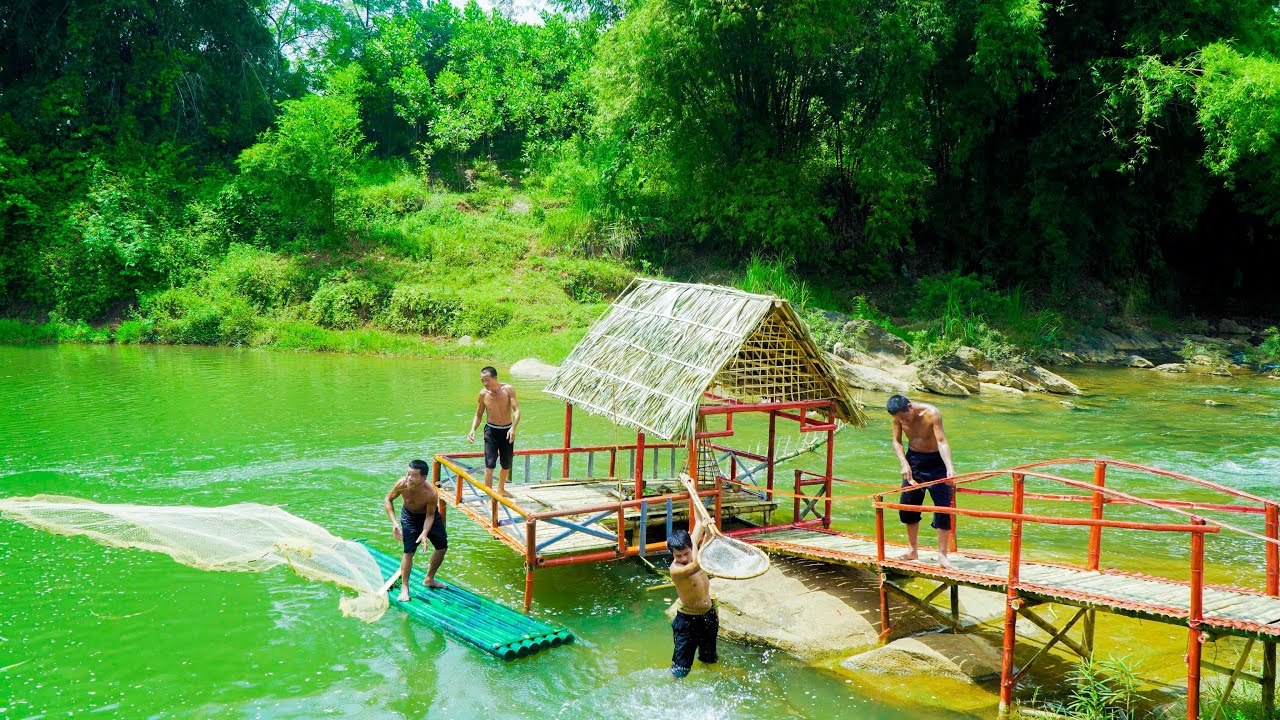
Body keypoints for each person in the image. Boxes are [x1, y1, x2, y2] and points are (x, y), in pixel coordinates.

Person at [886, 394, 958, 570]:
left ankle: (942, 555)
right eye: (899, 419)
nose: (903, 421)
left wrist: (949, 468)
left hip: (936, 462)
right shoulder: (898, 417)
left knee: (942, 508)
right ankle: (912, 550)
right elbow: (896, 441)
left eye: (905, 417)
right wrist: (904, 463)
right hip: (914, 461)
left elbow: (941, 441)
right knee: (908, 506)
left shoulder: (931, 413)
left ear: (910, 407)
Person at [384, 459, 447, 602]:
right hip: (409, 517)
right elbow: (388, 499)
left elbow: (430, 515)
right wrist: (394, 523)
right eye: (408, 474)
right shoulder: (402, 484)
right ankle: (405, 587)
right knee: (409, 552)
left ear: (423, 477)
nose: (409, 478)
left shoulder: (431, 493)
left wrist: (425, 532)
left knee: (442, 548)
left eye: (414, 475)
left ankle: (429, 579)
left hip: (429, 516)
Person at [667, 524, 717, 679]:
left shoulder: (693, 549)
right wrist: (709, 536)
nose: (683, 558)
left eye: (686, 553)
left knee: (709, 659)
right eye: (678, 556)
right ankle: (671, 688)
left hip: (709, 615)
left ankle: (710, 682)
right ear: (672, 554)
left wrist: (705, 524)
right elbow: (699, 564)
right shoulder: (676, 570)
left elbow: (698, 522)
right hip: (688, 622)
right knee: (680, 669)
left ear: (690, 547)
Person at [466, 366, 520, 496]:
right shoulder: (483, 394)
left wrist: (513, 428)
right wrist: (473, 429)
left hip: (507, 431)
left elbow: (517, 410)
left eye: (487, 379)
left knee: (506, 463)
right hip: (491, 431)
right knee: (490, 464)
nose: (485, 383)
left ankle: (501, 489)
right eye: (482, 380)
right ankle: (489, 493)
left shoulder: (508, 390)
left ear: (495, 378)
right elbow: (478, 414)